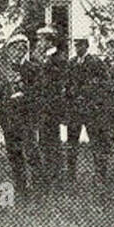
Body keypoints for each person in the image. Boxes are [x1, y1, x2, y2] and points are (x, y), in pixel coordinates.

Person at [0, 33, 42, 195]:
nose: (19, 51)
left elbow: (39, 92)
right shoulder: (2, 70)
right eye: (15, 48)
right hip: (8, 118)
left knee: (31, 152)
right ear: (9, 51)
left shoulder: (33, 68)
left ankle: (38, 187)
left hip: (27, 117)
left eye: (22, 48)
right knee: (14, 153)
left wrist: (25, 95)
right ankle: (20, 187)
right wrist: (0, 116)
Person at [66, 36, 112, 183]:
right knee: (72, 142)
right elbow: (66, 83)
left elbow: (104, 83)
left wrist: (90, 95)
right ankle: (71, 174)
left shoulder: (95, 62)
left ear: (86, 46)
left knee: (96, 142)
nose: (77, 48)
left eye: (80, 45)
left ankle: (100, 174)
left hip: (91, 109)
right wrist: (71, 95)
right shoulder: (71, 62)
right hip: (75, 110)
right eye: (76, 45)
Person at [34, 27, 69, 185]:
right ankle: (47, 173)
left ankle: (56, 174)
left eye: (41, 39)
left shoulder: (59, 58)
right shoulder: (38, 58)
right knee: (43, 139)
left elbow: (61, 82)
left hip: (53, 106)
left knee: (52, 139)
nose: (39, 42)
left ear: (49, 41)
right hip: (41, 105)